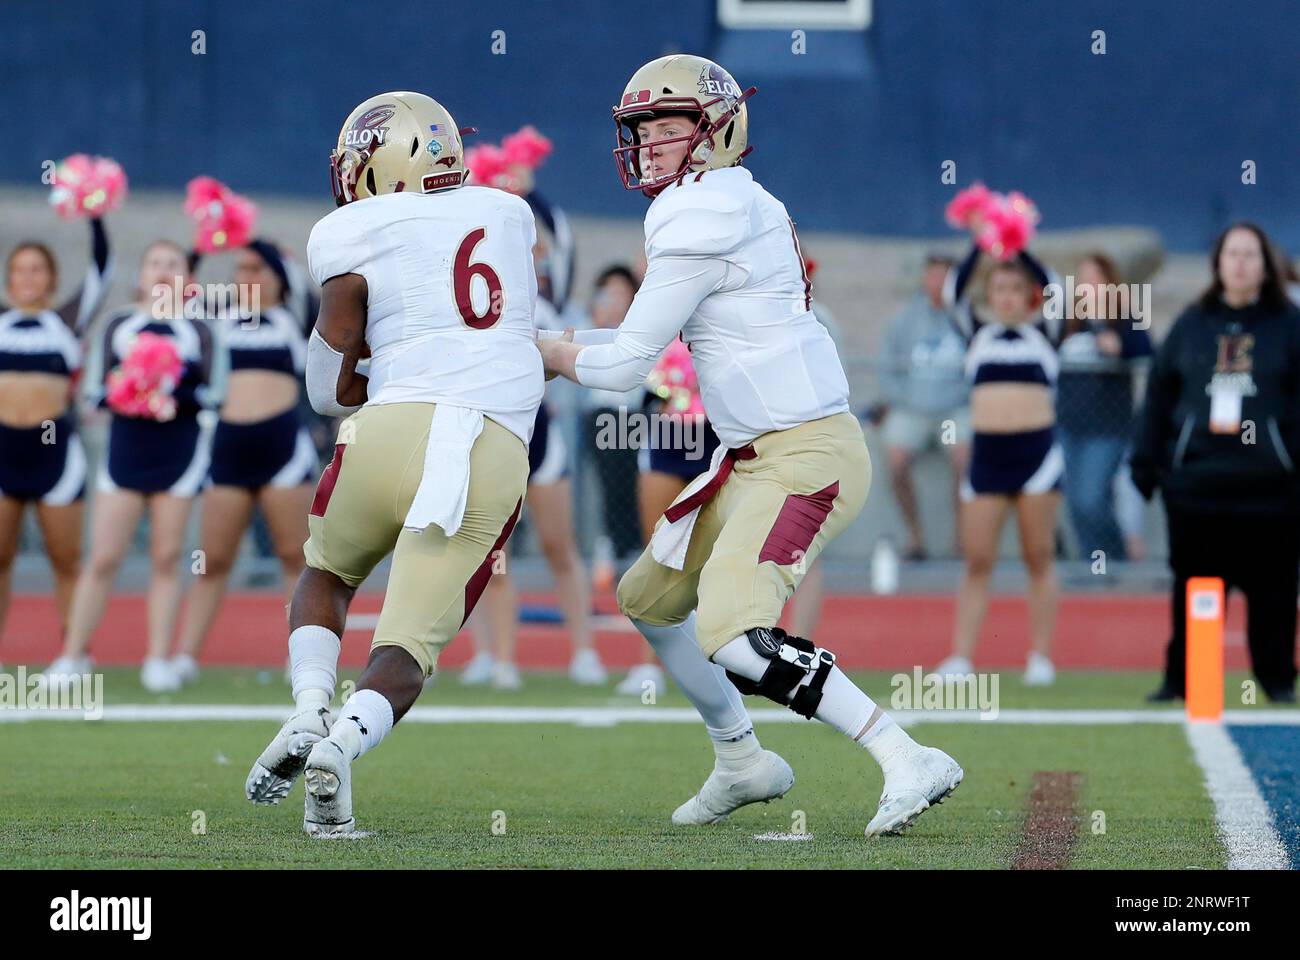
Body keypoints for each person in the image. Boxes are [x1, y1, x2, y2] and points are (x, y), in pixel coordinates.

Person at [538, 55, 962, 837]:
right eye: (644, 131)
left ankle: (905, 753)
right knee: (647, 598)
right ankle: (740, 759)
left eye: (670, 129)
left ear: (716, 130)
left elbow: (627, 364)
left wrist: (545, 352)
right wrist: (550, 341)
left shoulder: (703, 209)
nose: (652, 146)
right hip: (752, 457)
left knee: (729, 629)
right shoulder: (721, 201)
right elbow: (641, 341)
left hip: (804, 454)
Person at [244, 92, 544, 835]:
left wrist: (353, 381)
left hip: (390, 428)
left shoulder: (348, 227)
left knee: (327, 571)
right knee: (407, 645)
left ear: (379, 163)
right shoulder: (511, 214)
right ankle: (341, 747)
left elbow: (327, 377)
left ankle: (311, 707)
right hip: (490, 443)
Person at [46, 240, 226, 692]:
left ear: (189, 279)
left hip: (179, 456)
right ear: (141, 274)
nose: (163, 271)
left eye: (174, 264)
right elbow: (91, 392)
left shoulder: (202, 331)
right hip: (124, 455)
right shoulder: (117, 324)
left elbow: (216, 393)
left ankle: (158, 659)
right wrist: (131, 392)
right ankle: (72, 657)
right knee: (103, 557)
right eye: (155, 263)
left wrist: (171, 394)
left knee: (167, 557)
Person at [1132, 222, 1300, 703]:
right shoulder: (1192, 323)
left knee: (1274, 592)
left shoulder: (1290, 325)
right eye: (1233, 253)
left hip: (1271, 490)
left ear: (1266, 264)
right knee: (1196, 590)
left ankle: (1277, 681)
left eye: (1251, 254)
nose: (1242, 263)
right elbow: (1159, 399)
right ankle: (1185, 678)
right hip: (1198, 486)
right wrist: (1148, 467)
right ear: (1218, 263)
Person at [169, 241, 319, 684]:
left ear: (278, 276)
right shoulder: (216, 316)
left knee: (296, 559)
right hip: (228, 448)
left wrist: (268, 250)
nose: (246, 276)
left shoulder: (296, 320)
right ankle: (185, 657)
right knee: (213, 559)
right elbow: (181, 290)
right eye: (240, 268)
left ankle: (302, 662)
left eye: (257, 268)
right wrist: (205, 240)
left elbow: (308, 285)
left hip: (283, 451)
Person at [930, 228, 1063, 686]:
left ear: (1028, 296)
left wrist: (1016, 241)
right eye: (999, 289)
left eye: (1016, 289)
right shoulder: (977, 333)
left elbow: (1056, 289)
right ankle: (962, 658)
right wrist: (984, 243)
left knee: (1038, 556)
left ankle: (1040, 657)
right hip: (988, 457)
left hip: (1036, 456)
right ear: (989, 295)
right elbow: (952, 293)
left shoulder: (1045, 331)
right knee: (978, 559)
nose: (1007, 297)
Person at [0, 217, 111, 661]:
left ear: (52, 278)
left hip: (54, 456)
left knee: (66, 560)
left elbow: (103, 268)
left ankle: (73, 655)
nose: (28, 278)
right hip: (3, 455)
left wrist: (93, 212)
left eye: (37, 269)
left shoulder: (68, 320)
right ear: (9, 278)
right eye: (19, 269)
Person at [1056, 253, 1152, 562]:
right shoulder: (1068, 323)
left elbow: (1149, 350)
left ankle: (1115, 557)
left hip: (1107, 427)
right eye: (1083, 280)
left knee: (1091, 499)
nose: (1088, 286)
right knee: (1075, 504)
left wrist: (1119, 347)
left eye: (1095, 279)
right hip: (1069, 425)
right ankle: (1093, 567)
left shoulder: (1125, 320)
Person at [875, 254, 970, 560]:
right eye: (933, 276)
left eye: (945, 277)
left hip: (951, 412)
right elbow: (887, 366)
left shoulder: (965, 318)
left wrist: (961, 396)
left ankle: (961, 539)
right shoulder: (904, 319)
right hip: (912, 408)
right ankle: (915, 536)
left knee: (963, 460)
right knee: (896, 460)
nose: (938, 284)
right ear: (923, 279)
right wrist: (902, 398)